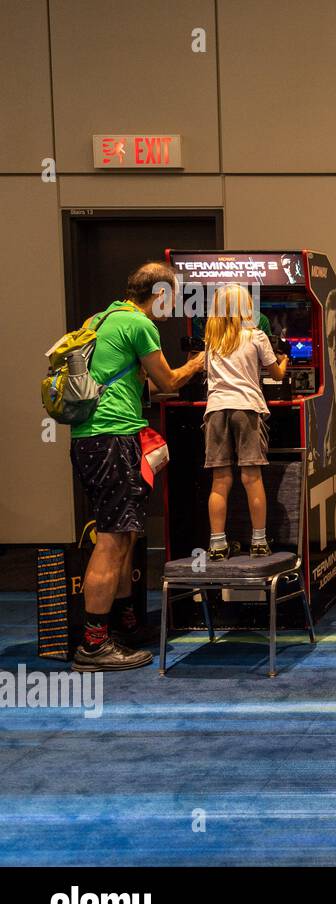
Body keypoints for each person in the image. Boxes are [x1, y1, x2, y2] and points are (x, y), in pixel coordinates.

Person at [68, 261, 205, 672]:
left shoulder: (101, 317)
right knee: (111, 539)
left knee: (124, 535)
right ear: (159, 294)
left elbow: (135, 383)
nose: (174, 304)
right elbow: (167, 381)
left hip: (91, 438)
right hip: (112, 439)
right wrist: (198, 362)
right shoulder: (139, 325)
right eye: (173, 296)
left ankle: (124, 626)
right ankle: (93, 645)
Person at [202, 284, 288, 560]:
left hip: (215, 410)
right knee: (251, 477)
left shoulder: (211, 339)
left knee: (220, 479)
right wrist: (285, 360)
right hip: (247, 408)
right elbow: (276, 373)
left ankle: (217, 544)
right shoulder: (256, 335)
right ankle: (259, 542)